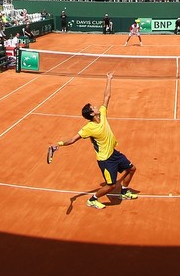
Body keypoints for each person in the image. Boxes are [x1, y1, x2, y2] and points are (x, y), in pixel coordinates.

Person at [50, 73, 137, 210]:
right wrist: (59, 144)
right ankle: (92, 199)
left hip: (114, 153)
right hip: (105, 160)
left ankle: (124, 192)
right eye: (93, 107)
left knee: (131, 169)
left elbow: (107, 97)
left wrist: (108, 80)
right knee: (111, 185)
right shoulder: (88, 128)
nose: (96, 106)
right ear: (91, 114)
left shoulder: (102, 114)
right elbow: (73, 139)